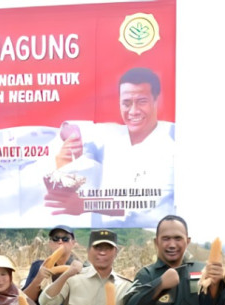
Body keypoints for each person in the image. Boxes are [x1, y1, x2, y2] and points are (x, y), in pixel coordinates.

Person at [46, 67, 175, 223]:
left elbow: (142, 204)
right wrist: (73, 138)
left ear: (156, 100)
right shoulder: (112, 135)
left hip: (145, 238)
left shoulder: (171, 145)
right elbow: (68, 127)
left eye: (142, 102)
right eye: (126, 103)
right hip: (100, 237)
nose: (133, 111)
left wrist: (86, 204)